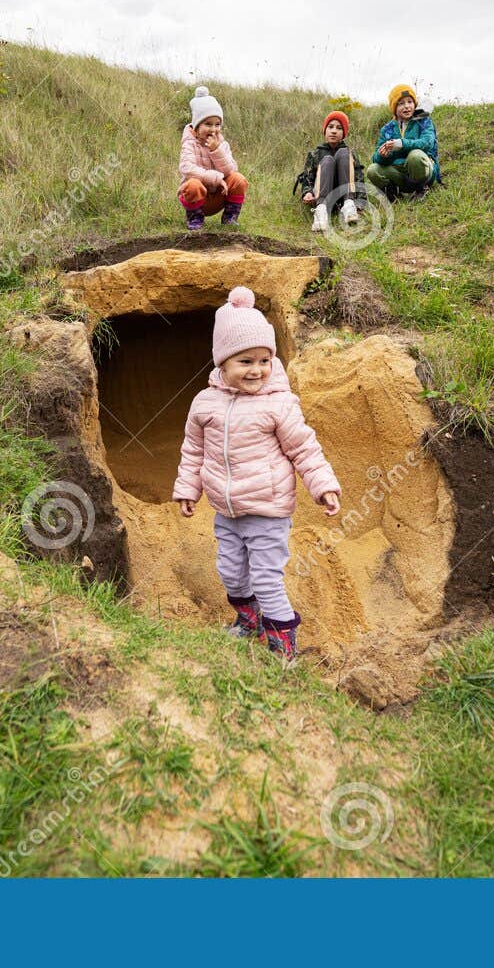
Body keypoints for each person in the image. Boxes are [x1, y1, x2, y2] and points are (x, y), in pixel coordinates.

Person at [172, 287, 342, 662]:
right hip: (226, 510)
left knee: (266, 580)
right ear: (222, 364)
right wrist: (188, 488)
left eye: (265, 360)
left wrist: (323, 485)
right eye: (245, 361)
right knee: (231, 573)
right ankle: (247, 621)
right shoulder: (205, 403)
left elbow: (304, 448)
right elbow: (193, 450)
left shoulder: (278, 404)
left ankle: (283, 649)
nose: (257, 370)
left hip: (267, 511)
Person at [177, 85, 249, 231]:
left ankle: (230, 218)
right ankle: (195, 219)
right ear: (196, 127)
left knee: (238, 179)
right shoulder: (190, 144)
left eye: (217, 124)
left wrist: (216, 150)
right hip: (197, 198)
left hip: (219, 195)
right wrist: (216, 178)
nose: (213, 129)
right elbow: (186, 168)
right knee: (192, 184)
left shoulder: (222, 144)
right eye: (207, 124)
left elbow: (231, 169)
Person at [365, 83, 440, 199]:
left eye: (410, 102)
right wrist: (383, 155)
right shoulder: (387, 129)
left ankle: (421, 189)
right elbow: (376, 158)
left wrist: (401, 144)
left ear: (415, 104)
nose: (406, 106)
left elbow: (427, 143)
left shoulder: (424, 121)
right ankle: (393, 193)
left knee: (415, 155)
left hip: (422, 170)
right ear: (394, 108)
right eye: (401, 103)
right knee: (372, 170)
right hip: (400, 173)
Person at [293, 110, 363, 233]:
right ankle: (321, 213)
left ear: (344, 133)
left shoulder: (350, 153)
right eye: (330, 127)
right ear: (325, 130)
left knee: (343, 153)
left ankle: (349, 206)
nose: (334, 131)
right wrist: (307, 193)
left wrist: (360, 204)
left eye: (339, 128)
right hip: (322, 196)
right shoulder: (315, 154)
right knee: (327, 160)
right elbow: (308, 178)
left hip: (343, 197)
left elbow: (358, 178)